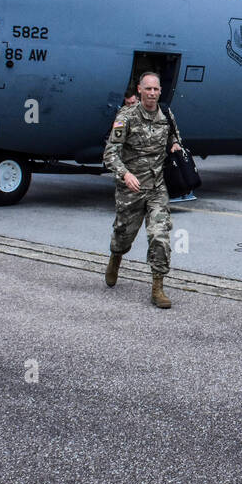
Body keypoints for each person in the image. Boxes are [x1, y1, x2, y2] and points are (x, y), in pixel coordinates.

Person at [102, 71, 185, 308]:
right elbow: (110, 153)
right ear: (139, 90)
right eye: (147, 89)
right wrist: (125, 174)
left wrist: (175, 146)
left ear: (160, 91)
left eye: (156, 89)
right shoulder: (126, 117)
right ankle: (116, 257)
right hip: (132, 188)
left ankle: (158, 287)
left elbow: (174, 139)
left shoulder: (167, 115)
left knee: (160, 236)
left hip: (157, 187)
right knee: (123, 234)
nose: (152, 93)